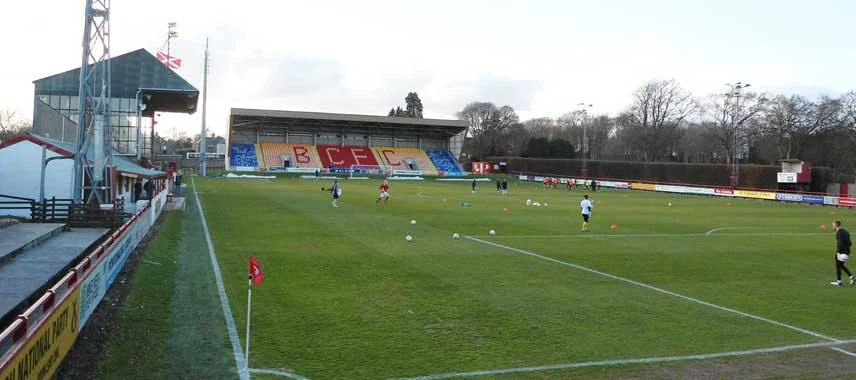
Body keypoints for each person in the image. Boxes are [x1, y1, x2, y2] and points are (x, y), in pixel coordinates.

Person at [831, 220, 855, 286]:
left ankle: (839, 281)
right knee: (840, 265)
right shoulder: (846, 231)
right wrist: (847, 250)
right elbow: (850, 243)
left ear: (836, 225)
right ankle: (851, 277)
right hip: (847, 252)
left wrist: (838, 252)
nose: (832, 226)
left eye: (833, 225)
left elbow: (840, 243)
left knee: (838, 266)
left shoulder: (839, 233)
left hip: (841, 252)